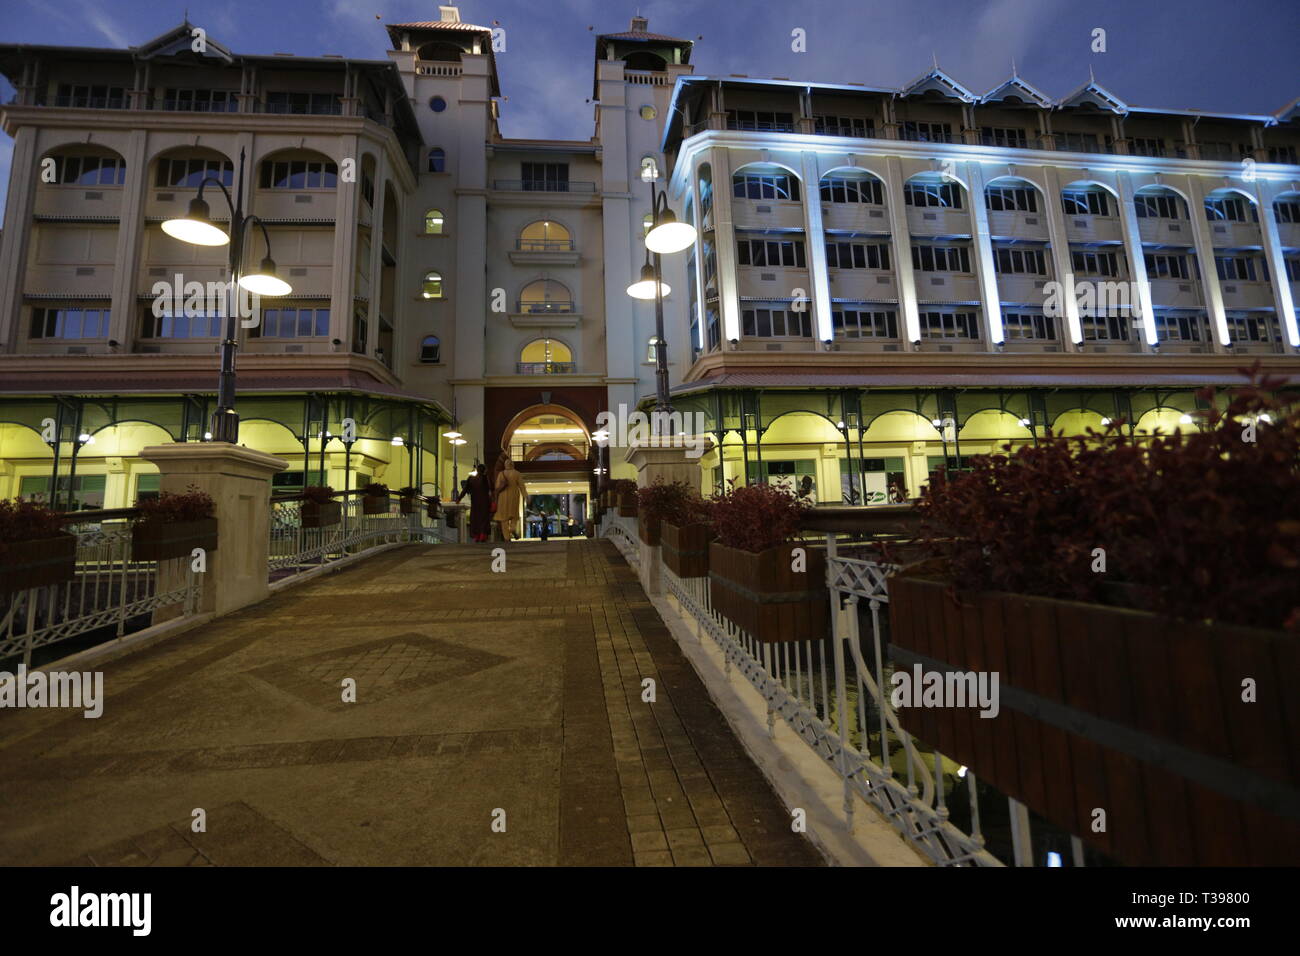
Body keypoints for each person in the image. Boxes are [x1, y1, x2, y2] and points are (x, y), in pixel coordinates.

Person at [456, 463, 493, 543]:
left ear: (477, 470)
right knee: (484, 518)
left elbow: (465, 490)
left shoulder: (471, 478)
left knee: (475, 519)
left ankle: (477, 536)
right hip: (485, 501)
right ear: (484, 470)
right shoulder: (485, 478)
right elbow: (491, 488)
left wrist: (459, 499)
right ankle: (482, 535)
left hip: (475, 502)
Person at [493, 453, 524, 541]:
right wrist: (525, 496)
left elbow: (497, 487)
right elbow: (522, 486)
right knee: (514, 516)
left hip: (503, 497)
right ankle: (512, 529)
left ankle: (507, 537)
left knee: (504, 519)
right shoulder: (517, 474)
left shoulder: (501, 474)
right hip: (514, 496)